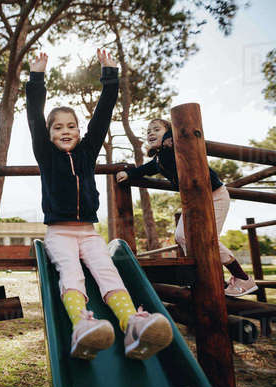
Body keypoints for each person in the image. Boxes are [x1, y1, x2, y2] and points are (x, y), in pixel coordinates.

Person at [26, 50, 173, 360]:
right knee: (72, 273)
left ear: (80, 132)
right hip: (60, 233)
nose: (65, 131)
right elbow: (33, 116)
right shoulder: (46, 154)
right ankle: (81, 325)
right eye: (58, 127)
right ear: (49, 133)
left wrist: (110, 75)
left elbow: (103, 112)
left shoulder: (87, 152)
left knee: (108, 272)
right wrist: (37, 78)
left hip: (89, 233)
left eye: (71, 126)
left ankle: (131, 324)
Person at [116, 119, 258, 297]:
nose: (151, 133)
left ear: (168, 132)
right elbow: (144, 169)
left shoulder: (178, 146)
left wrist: (169, 137)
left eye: (156, 130)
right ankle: (210, 280)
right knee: (181, 235)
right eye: (148, 131)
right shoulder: (160, 159)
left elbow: (179, 134)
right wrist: (128, 173)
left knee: (208, 239)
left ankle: (242, 277)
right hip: (194, 202)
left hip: (215, 196)